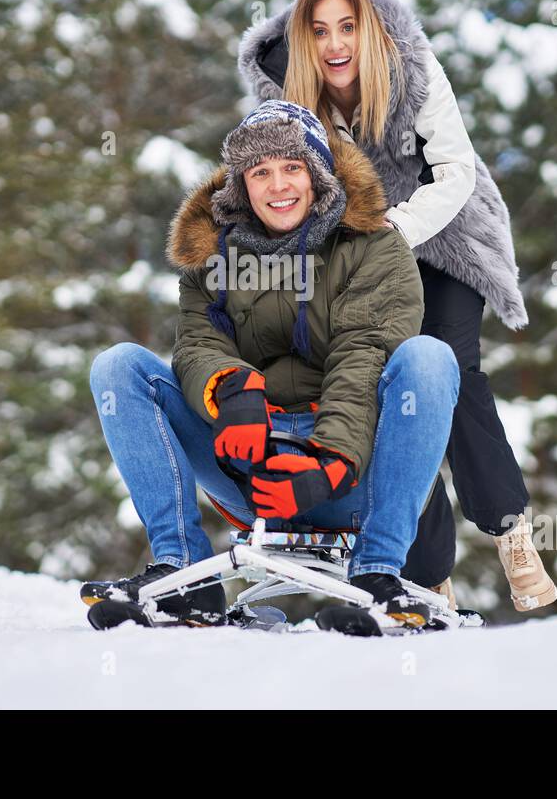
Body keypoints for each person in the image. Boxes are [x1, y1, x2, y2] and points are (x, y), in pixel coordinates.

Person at [238, 0, 557, 612]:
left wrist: (395, 228)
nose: (336, 45)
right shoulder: (282, 92)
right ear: (303, 39)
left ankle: (509, 529)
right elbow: (281, 191)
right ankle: (427, 565)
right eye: (321, 31)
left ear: (369, 28)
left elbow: (456, 171)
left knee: (449, 363)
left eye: (348, 28)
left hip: (444, 233)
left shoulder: (411, 65)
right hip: (354, 256)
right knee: (394, 388)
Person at [84, 100, 459, 627]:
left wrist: (327, 461)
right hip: (249, 467)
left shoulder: (374, 246)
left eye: (291, 167)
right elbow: (196, 344)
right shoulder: (211, 257)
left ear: (318, 175)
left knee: (428, 358)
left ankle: (378, 574)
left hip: (349, 476)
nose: (277, 185)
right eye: (260, 172)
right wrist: (232, 389)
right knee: (119, 367)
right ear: (242, 185)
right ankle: (182, 572)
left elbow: (365, 353)